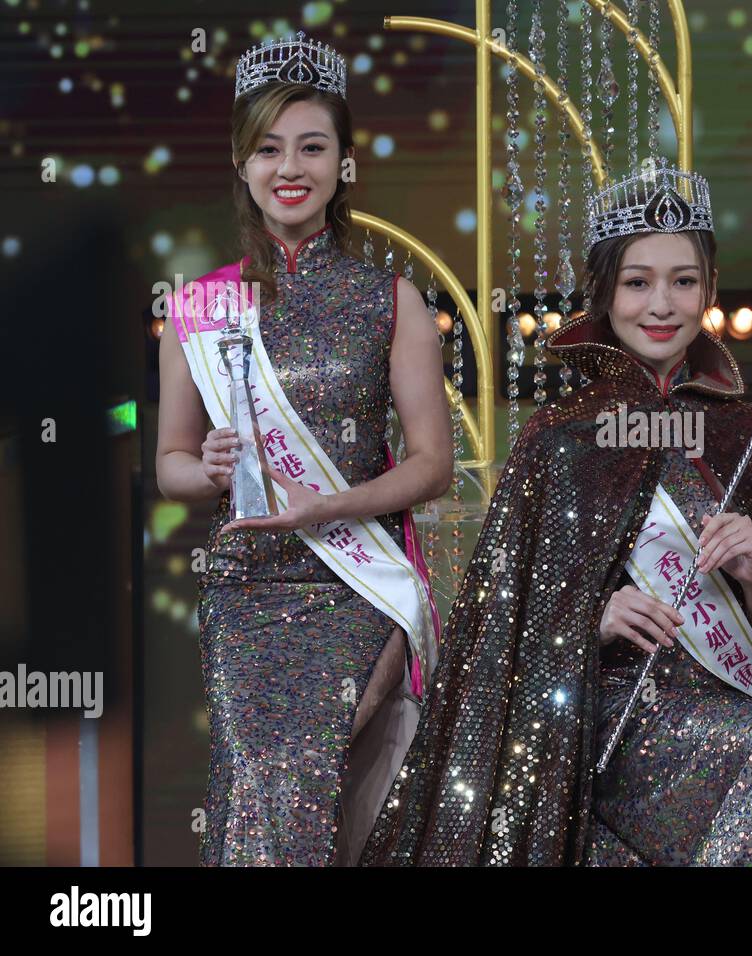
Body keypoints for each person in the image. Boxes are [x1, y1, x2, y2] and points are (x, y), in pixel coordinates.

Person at [360, 161, 752, 866]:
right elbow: (496, 624)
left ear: (707, 291)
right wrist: (593, 617)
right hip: (610, 707)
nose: (661, 304)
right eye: (637, 282)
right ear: (605, 295)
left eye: (683, 282)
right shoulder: (559, 436)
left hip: (734, 693)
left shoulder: (746, 434)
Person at [155, 33, 452, 865]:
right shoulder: (200, 309)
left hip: (356, 578)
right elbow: (170, 469)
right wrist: (204, 468)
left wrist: (330, 506)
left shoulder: (391, 299)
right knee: (255, 772)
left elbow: (432, 464)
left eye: (313, 147)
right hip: (247, 585)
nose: (291, 167)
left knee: (299, 763)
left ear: (343, 163)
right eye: (269, 148)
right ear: (243, 163)